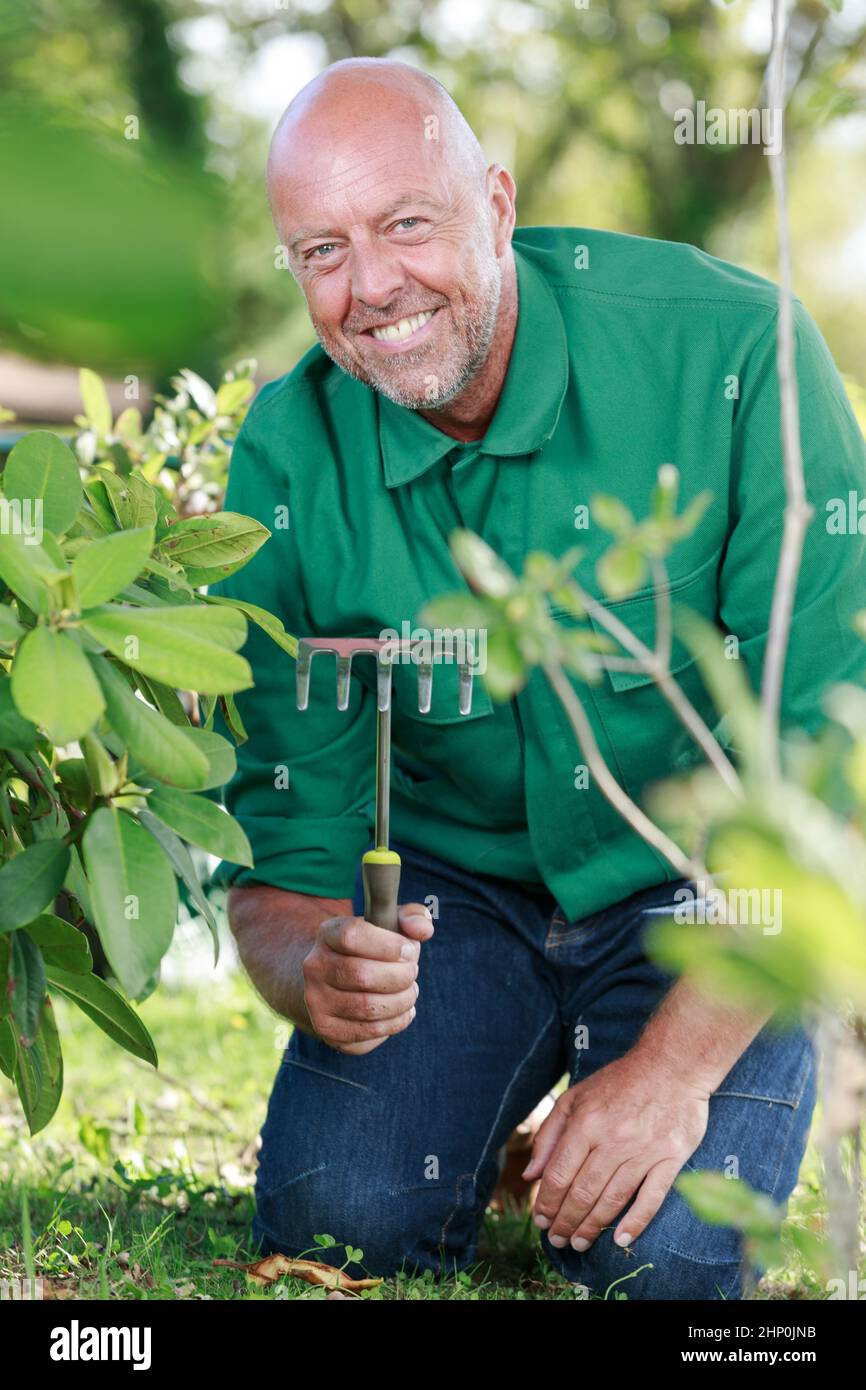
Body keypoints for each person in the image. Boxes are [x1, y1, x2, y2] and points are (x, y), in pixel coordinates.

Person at [210, 57, 865, 1298]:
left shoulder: (741, 356)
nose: (372, 287)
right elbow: (283, 867)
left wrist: (668, 1075)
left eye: (408, 223)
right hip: (462, 897)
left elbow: (830, 772)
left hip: (709, 887)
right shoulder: (288, 458)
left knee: (660, 1265)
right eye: (322, 252)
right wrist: (317, 969)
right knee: (336, 1217)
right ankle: (490, 1109)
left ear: (498, 207)